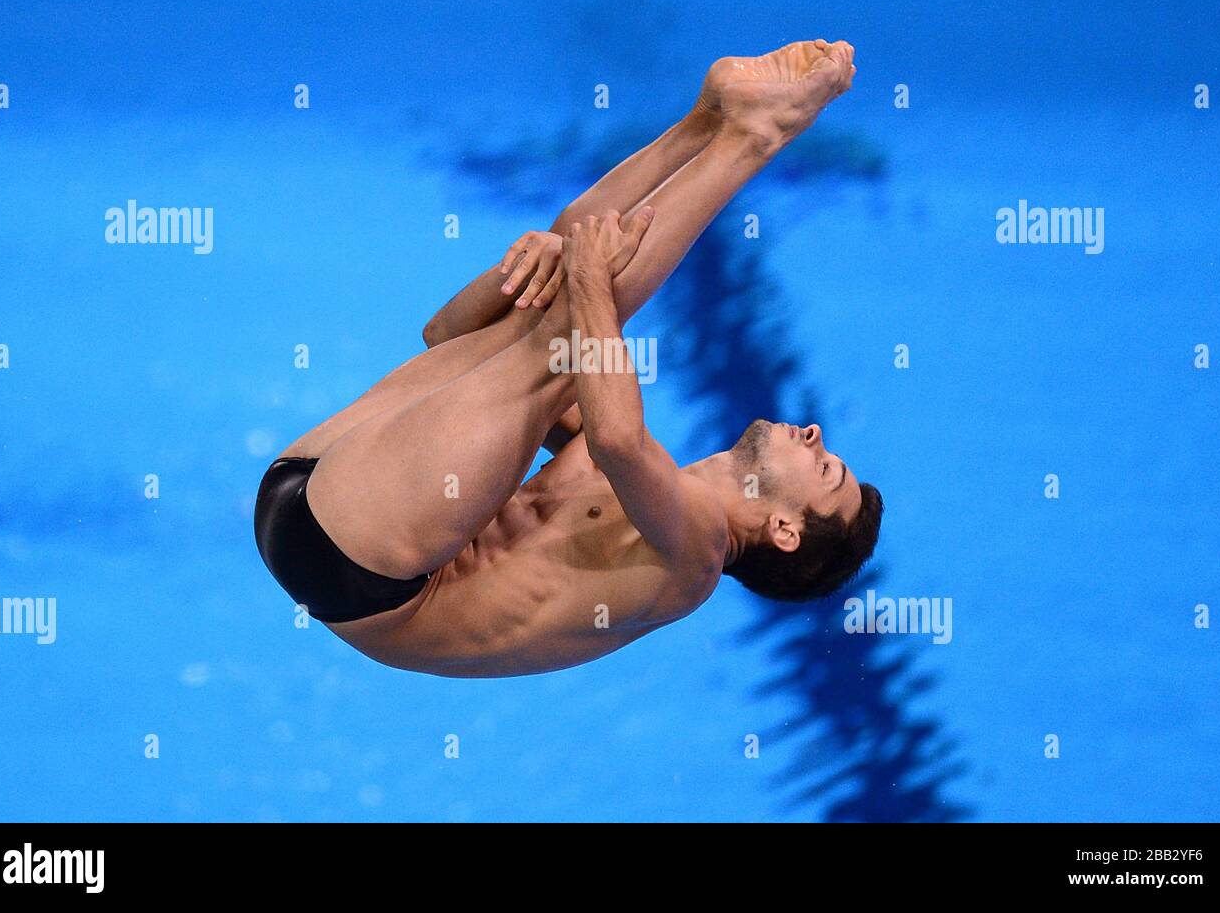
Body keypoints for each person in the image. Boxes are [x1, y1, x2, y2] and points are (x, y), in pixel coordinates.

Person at [254, 39, 881, 677]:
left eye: (825, 468)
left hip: (360, 566)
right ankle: (704, 123)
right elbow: (448, 334)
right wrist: (535, 262)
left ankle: (754, 137)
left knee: (565, 332)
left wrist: (585, 283)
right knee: (550, 303)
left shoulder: (696, 559)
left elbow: (617, 436)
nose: (814, 434)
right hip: (322, 492)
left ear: (783, 529)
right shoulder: (613, 475)